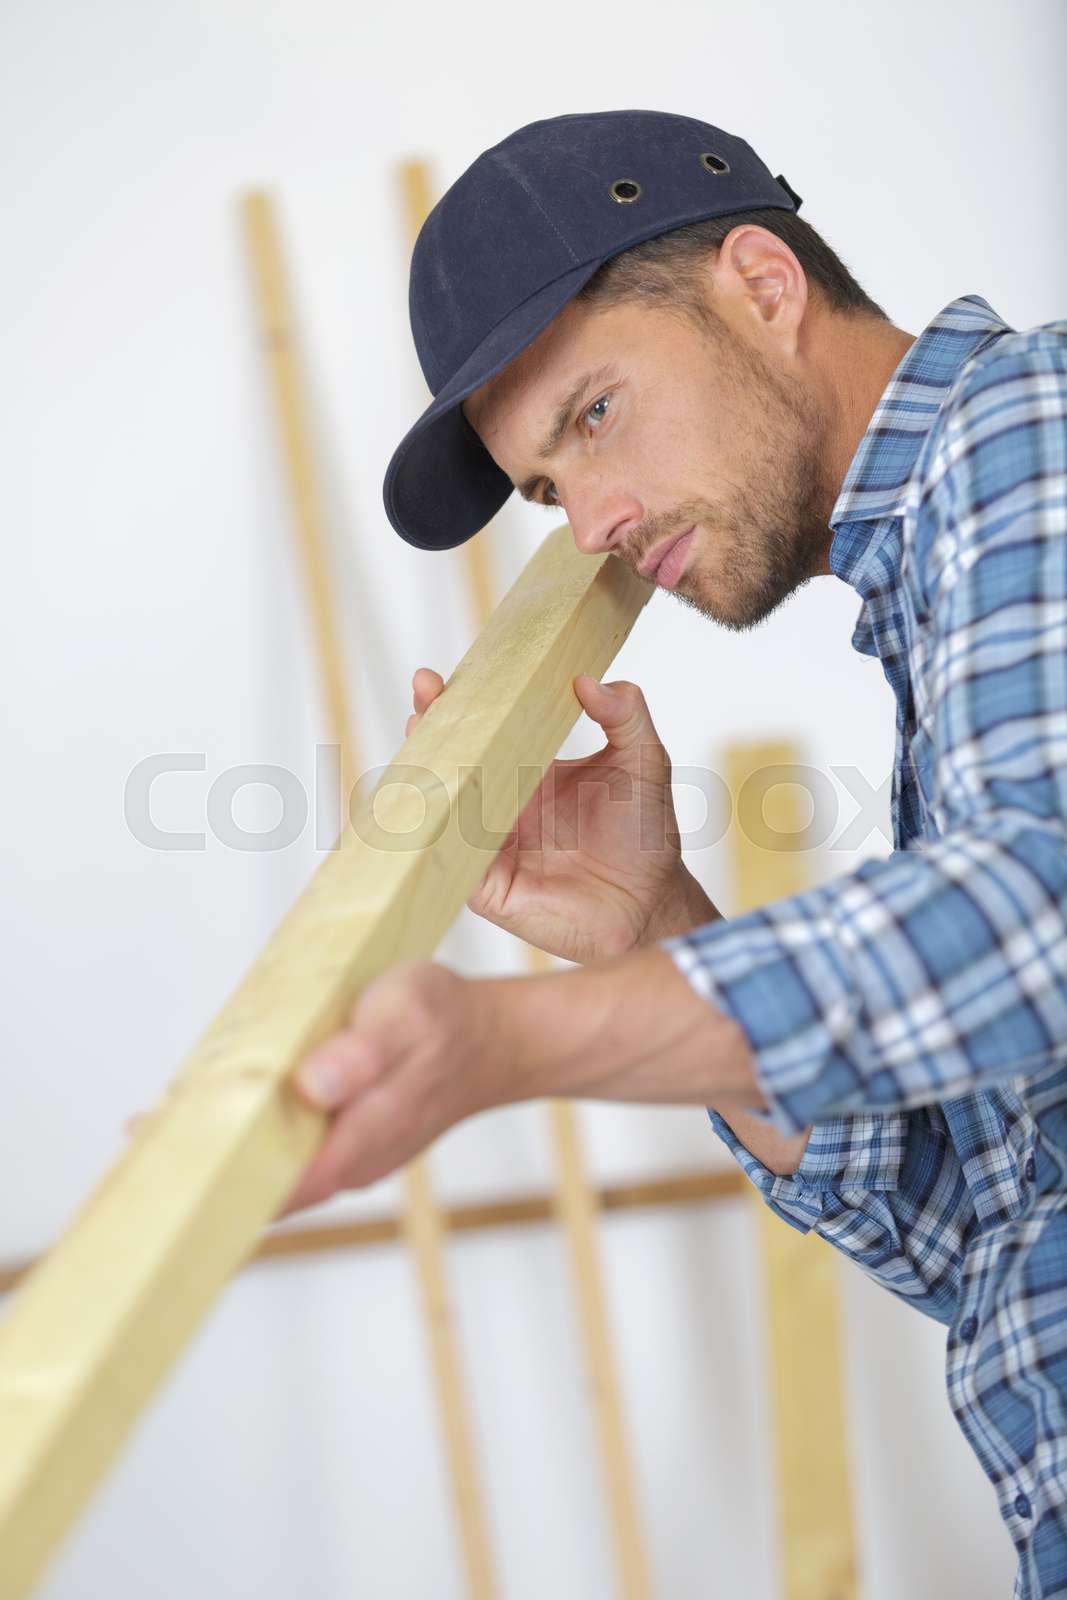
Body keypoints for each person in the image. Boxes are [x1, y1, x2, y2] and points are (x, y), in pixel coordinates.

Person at [283, 111, 1067, 1595]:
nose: (594, 527)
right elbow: (985, 1241)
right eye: (546, 491)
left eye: (593, 417)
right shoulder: (938, 582)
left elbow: (1047, 910)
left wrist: (512, 1042)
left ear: (764, 287)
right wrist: (658, 929)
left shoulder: (1033, 434)